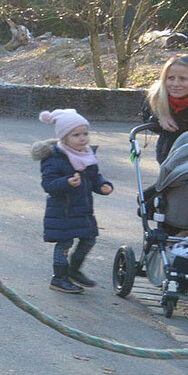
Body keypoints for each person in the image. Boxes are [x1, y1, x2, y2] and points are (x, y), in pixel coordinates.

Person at [32, 108, 113, 294]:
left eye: (85, 133)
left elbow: (94, 177)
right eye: (76, 135)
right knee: (65, 243)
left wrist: (102, 185)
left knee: (89, 239)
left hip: (83, 209)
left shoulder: (86, 155)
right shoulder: (54, 158)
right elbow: (49, 185)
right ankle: (59, 278)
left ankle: (73, 270)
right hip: (63, 210)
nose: (83, 138)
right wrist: (67, 182)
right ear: (64, 137)